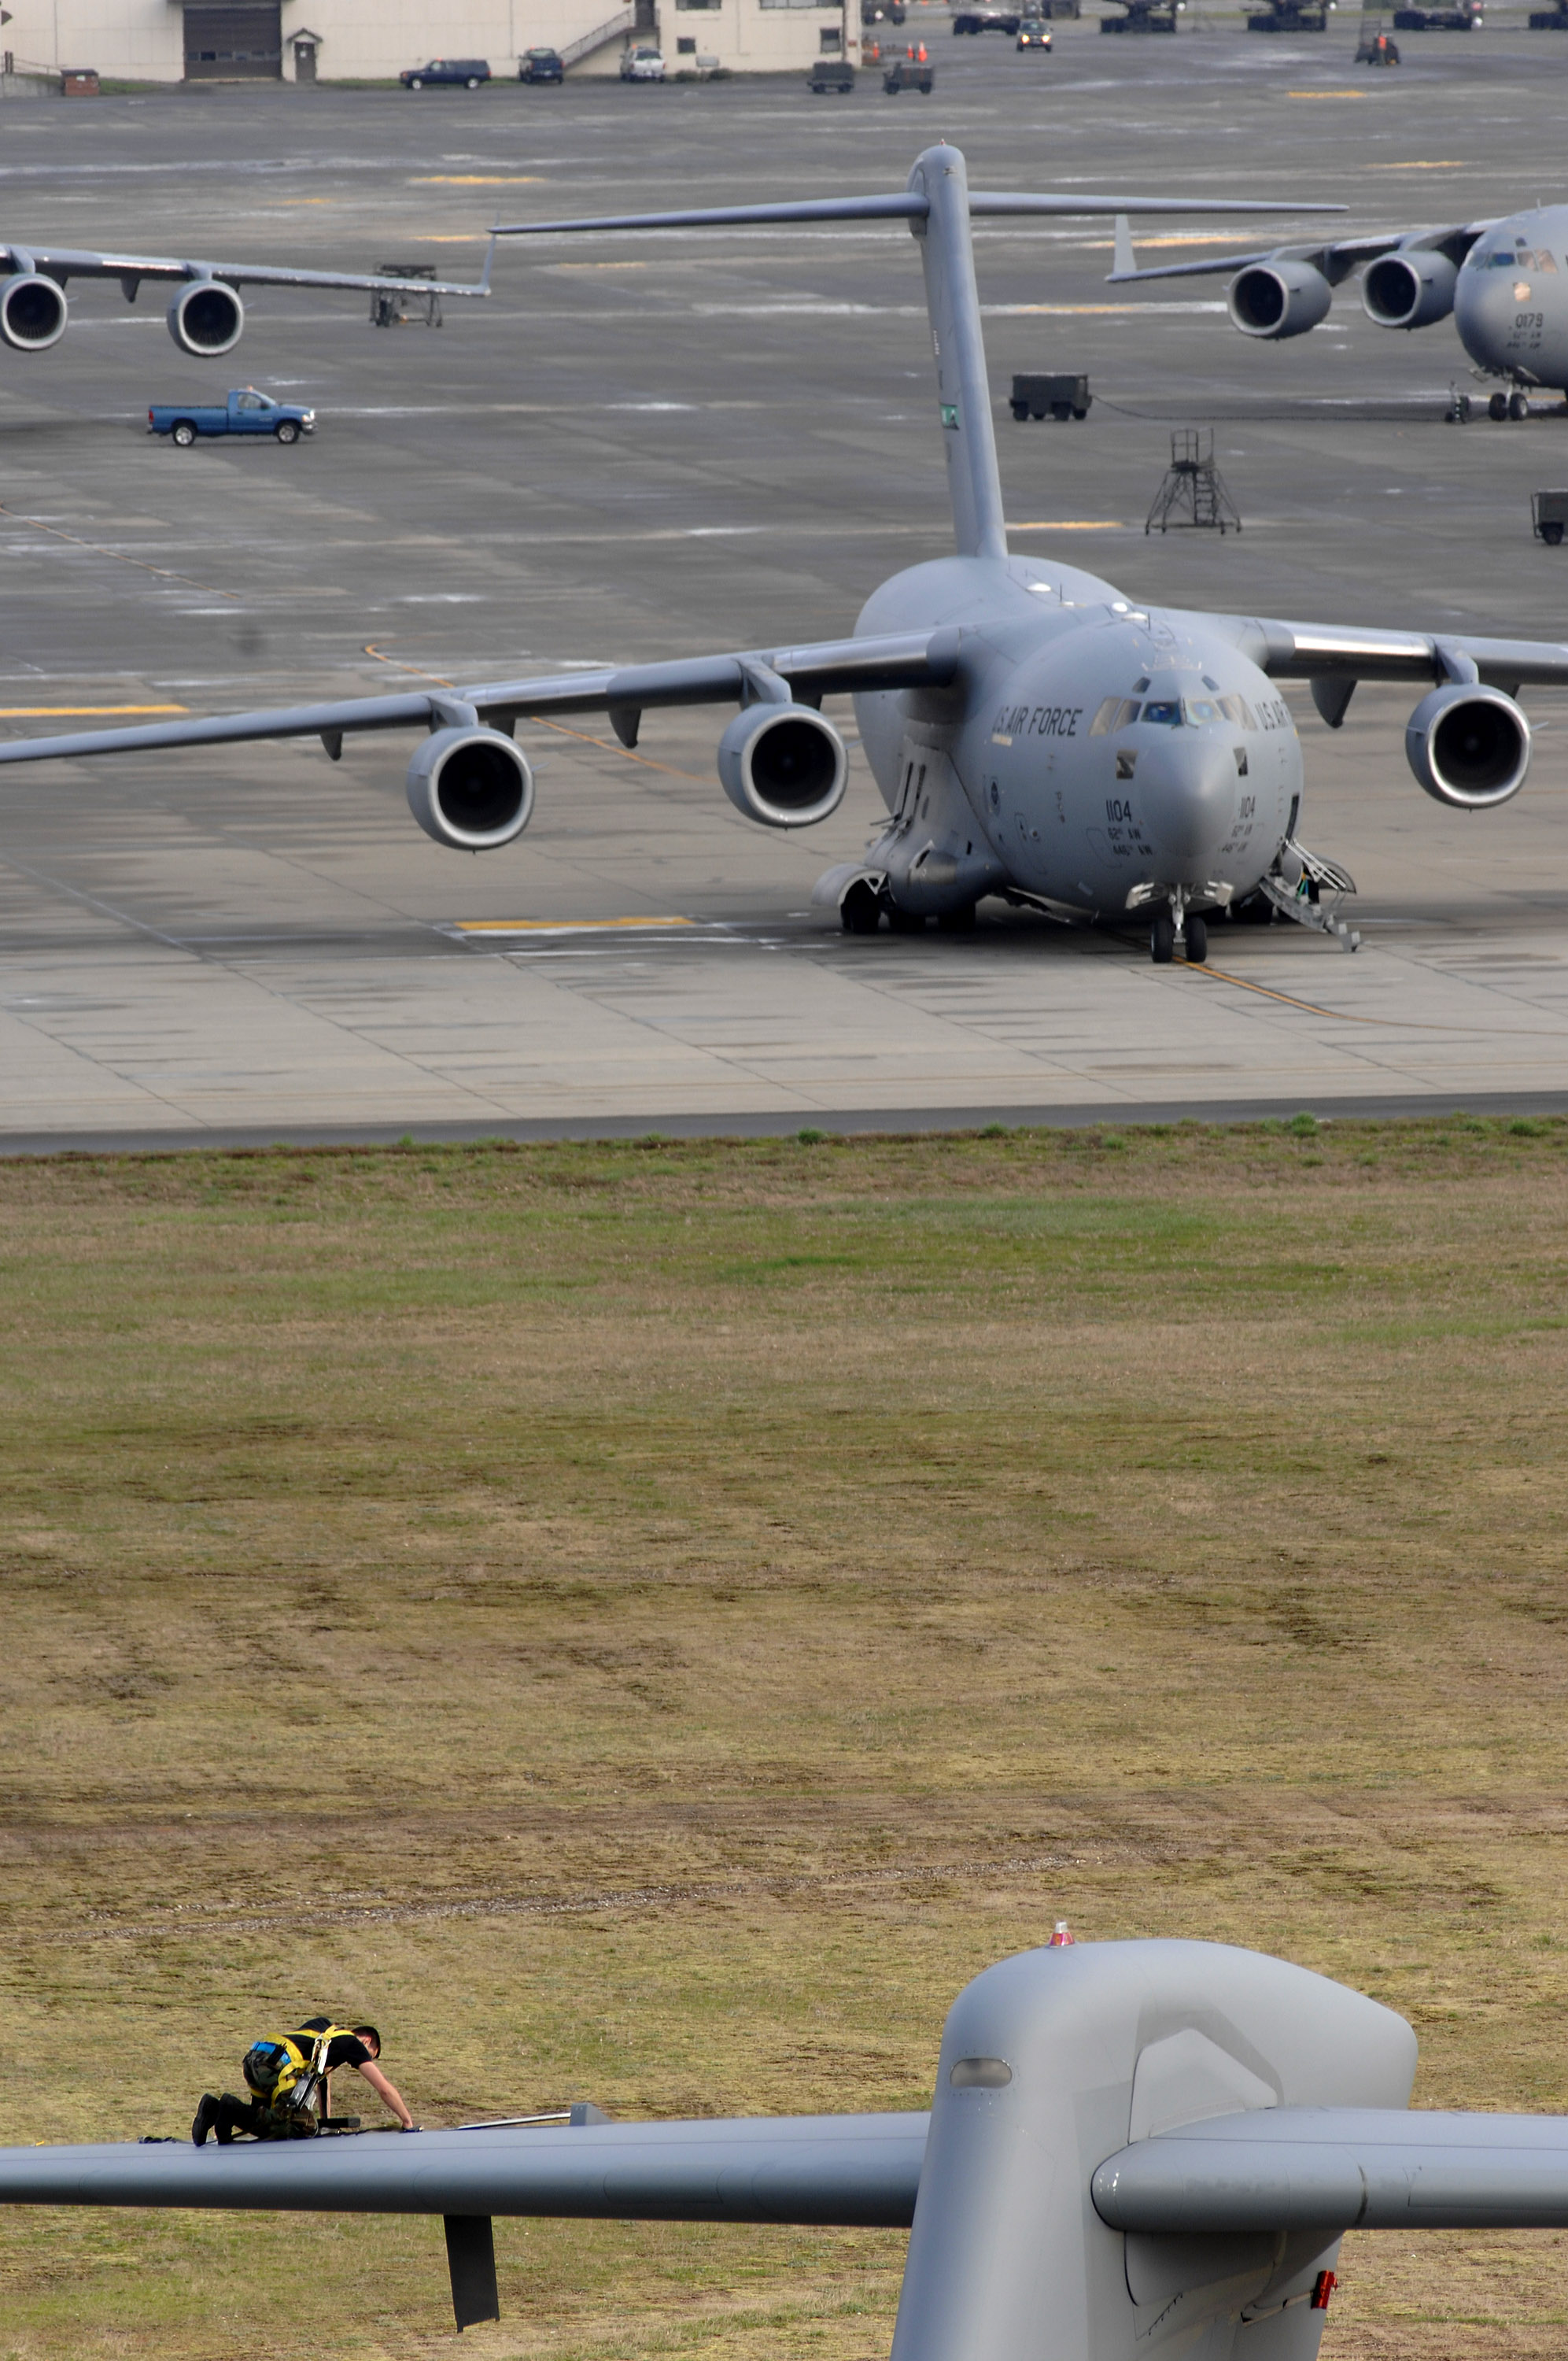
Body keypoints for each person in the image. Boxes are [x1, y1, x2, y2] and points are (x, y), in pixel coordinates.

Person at [192, 2017, 418, 2145]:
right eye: (371, 2053)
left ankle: (216, 2110)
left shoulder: (322, 2031)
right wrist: (407, 2122)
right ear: (366, 2040)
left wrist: (327, 2123)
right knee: (300, 2129)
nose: (366, 2058)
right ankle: (229, 2109)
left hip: (257, 2057)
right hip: (277, 2067)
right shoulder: (351, 2043)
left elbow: (321, 2081)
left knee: (264, 2123)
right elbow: (384, 2089)